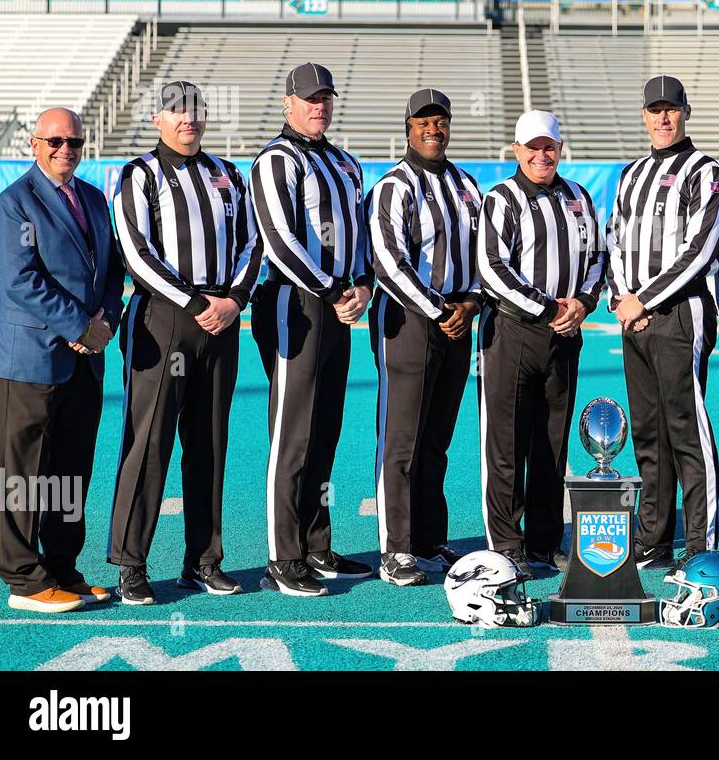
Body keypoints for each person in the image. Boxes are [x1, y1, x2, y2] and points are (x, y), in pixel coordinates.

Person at [108, 81, 262, 604]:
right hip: (165, 319)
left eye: (196, 110)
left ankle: (203, 560)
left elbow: (251, 242)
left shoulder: (228, 174)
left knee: (210, 445)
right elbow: (135, 250)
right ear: (158, 118)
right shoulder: (139, 174)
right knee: (149, 442)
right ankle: (131, 563)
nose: (187, 119)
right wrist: (198, 304)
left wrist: (234, 300)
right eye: (176, 111)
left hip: (222, 321)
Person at [0, 108, 125, 612]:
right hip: (30, 358)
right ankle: (23, 577)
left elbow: (112, 268)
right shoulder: (14, 201)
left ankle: (62, 567)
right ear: (35, 144)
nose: (67, 149)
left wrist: (105, 320)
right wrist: (80, 327)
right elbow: (22, 280)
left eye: (75, 142)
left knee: (70, 469)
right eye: (56, 141)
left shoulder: (92, 198)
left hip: (85, 360)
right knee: (23, 472)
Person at [250, 62, 373, 597]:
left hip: (338, 303)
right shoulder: (275, 161)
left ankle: (317, 543)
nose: (318, 106)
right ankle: (283, 554)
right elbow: (278, 240)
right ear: (288, 103)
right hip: (293, 304)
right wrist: (334, 288)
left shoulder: (345, 163)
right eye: (308, 98)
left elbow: (362, 235)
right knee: (292, 433)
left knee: (325, 430)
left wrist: (362, 285)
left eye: (325, 97)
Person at [605, 75, 719, 576]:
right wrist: (619, 296)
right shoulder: (632, 172)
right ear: (643, 115)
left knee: (687, 428)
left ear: (686, 112)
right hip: (634, 318)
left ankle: (701, 540)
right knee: (649, 434)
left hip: (681, 313)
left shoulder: (706, 171)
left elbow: (700, 248)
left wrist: (644, 298)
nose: (662, 118)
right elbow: (614, 236)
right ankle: (654, 536)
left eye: (671, 110)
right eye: (654, 110)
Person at [477, 110, 605, 580]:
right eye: (532, 147)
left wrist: (583, 303)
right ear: (516, 151)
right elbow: (492, 268)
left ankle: (547, 539)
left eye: (549, 146)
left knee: (552, 444)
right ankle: (508, 544)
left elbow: (598, 257)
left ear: (560, 148)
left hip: (565, 333)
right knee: (507, 443)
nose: (541, 155)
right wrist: (548, 308)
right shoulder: (502, 199)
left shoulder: (578, 196)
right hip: (514, 332)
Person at [367, 88, 483, 587]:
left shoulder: (466, 184)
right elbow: (388, 261)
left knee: (437, 439)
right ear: (408, 127)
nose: (433, 129)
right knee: (402, 439)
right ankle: (396, 549)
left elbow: (484, 253)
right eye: (423, 122)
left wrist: (472, 302)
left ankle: (429, 537)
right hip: (411, 318)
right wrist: (439, 308)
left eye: (440, 120)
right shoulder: (394, 185)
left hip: (457, 317)